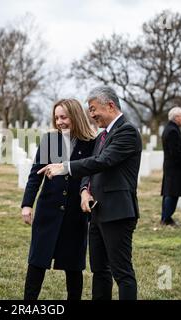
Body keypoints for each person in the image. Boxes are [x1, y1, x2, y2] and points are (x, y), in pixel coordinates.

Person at [38, 86, 142, 300]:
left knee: (122, 273)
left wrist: (64, 166)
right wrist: (85, 190)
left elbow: (103, 161)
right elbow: (91, 170)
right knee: (99, 271)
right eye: (90, 110)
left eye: (94, 109)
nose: (92, 115)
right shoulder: (103, 136)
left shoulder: (126, 131)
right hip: (97, 211)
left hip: (118, 212)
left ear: (110, 105)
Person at [21, 98, 96, 300]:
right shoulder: (50, 140)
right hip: (48, 211)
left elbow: (93, 175)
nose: (60, 121)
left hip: (75, 213)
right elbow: (35, 175)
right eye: (56, 118)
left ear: (76, 116)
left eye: (64, 117)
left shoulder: (91, 143)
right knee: (37, 262)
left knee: (74, 267)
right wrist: (27, 204)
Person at [160, 107, 181, 226]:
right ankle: (166, 218)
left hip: (172, 167)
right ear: (176, 118)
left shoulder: (172, 128)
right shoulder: (172, 131)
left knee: (169, 192)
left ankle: (166, 217)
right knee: (172, 193)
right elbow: (175, 152)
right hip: (174, 168)